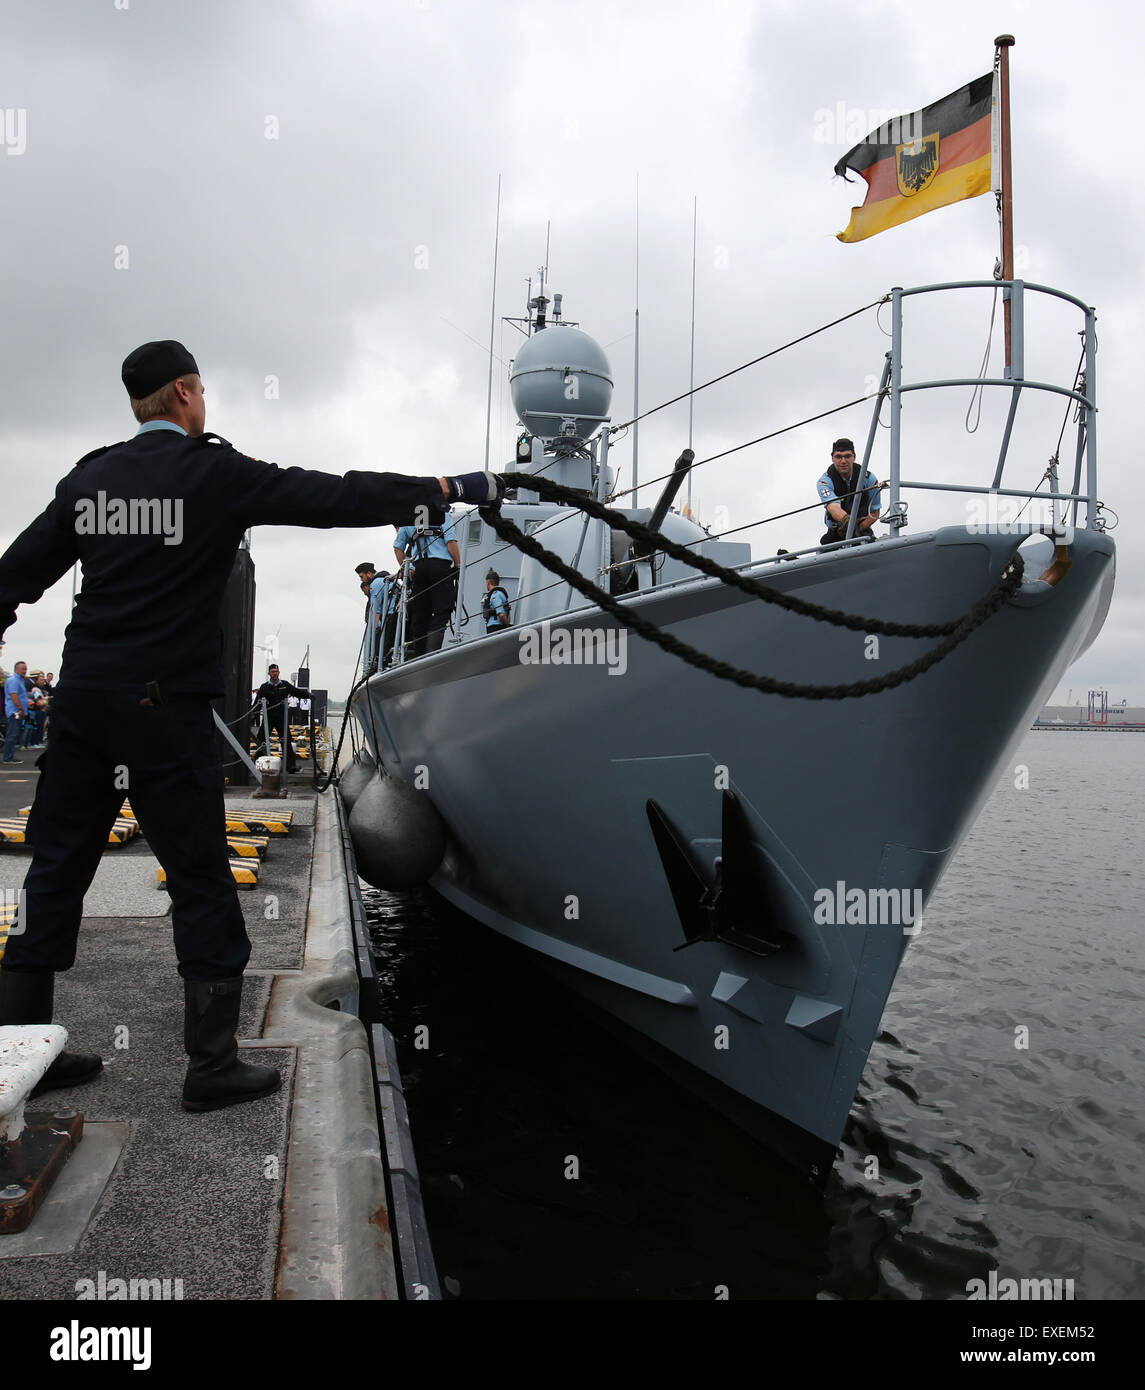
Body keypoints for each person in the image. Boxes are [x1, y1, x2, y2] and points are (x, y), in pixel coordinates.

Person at [0, 337, 504, 1111]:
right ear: (184, 395)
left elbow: (15, 575)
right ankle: (210, 1067)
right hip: (161, 712)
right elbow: (335, 496)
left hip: (82, 706)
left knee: (55, 871)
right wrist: (446, 486)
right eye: (200, 392)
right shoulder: (215, 473)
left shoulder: (90, 479)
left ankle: (23, 1052)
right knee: (200, 877)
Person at [393, 507, 460, 658]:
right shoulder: (442, 513)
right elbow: (450, 542)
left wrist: (408, 567)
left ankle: (419, 655)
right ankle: (432, 653)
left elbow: (398, 548)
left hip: (419, 569)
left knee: (420, 612)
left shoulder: (408, 517)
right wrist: (458, 565)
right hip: (440, 566)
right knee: (442, 609)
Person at [817, 438, 881, 544]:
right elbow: (833, 506)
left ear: (854, 457)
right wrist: (848, 523)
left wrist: (859, 528)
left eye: (847, 456)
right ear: (832, 458)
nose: (843, 461)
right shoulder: (825, 482)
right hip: (837, 532)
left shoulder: (869, 479)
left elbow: (875, 511)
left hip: (862, 530)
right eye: (838, 457)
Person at [253, 664, 308, 773]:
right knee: (261, 740)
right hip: (268, 717)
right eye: (273, 671)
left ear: (279, 673)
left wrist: (308, 695)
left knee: (286, 741)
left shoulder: (285, 685)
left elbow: (296, 692)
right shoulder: (264, 687)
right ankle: (258, 763)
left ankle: (290, 766)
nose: (275, 673)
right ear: (269, 673)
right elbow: (257, 704)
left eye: (276, 671)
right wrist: (252, 714)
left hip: (281, 718)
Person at [3, 659, 29, 763]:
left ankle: (9, 756)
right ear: (16, 669)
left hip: (17, 711)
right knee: (12, 735)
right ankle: (8, 758)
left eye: (25, 669)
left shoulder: (20, 680)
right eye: (23, 669)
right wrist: (20, 708)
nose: (25, 671)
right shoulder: (14, 680)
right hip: (15, 712)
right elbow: (14, 695)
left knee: (13, 735)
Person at [482, 569, 510, 633]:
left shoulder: (495, 595)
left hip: (496, 627)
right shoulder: (501, 594)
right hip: (496, 627)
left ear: (488, 582)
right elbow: (508, 612)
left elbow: (501, 614)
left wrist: (506, 626)